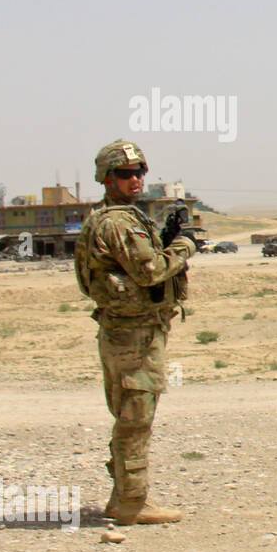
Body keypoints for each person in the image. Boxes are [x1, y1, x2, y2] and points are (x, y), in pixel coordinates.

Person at [74, 139, 194, 525]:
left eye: (139, 171)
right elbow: (150, 272)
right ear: (107, 179)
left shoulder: (119, 218)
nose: (136, 179)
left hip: (129, 331)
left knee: (129, 413)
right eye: (125, 174)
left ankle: (121, 498)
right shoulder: (118, 222)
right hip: (133, 336)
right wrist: (184, 248)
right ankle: (133, 502)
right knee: (136, 415)